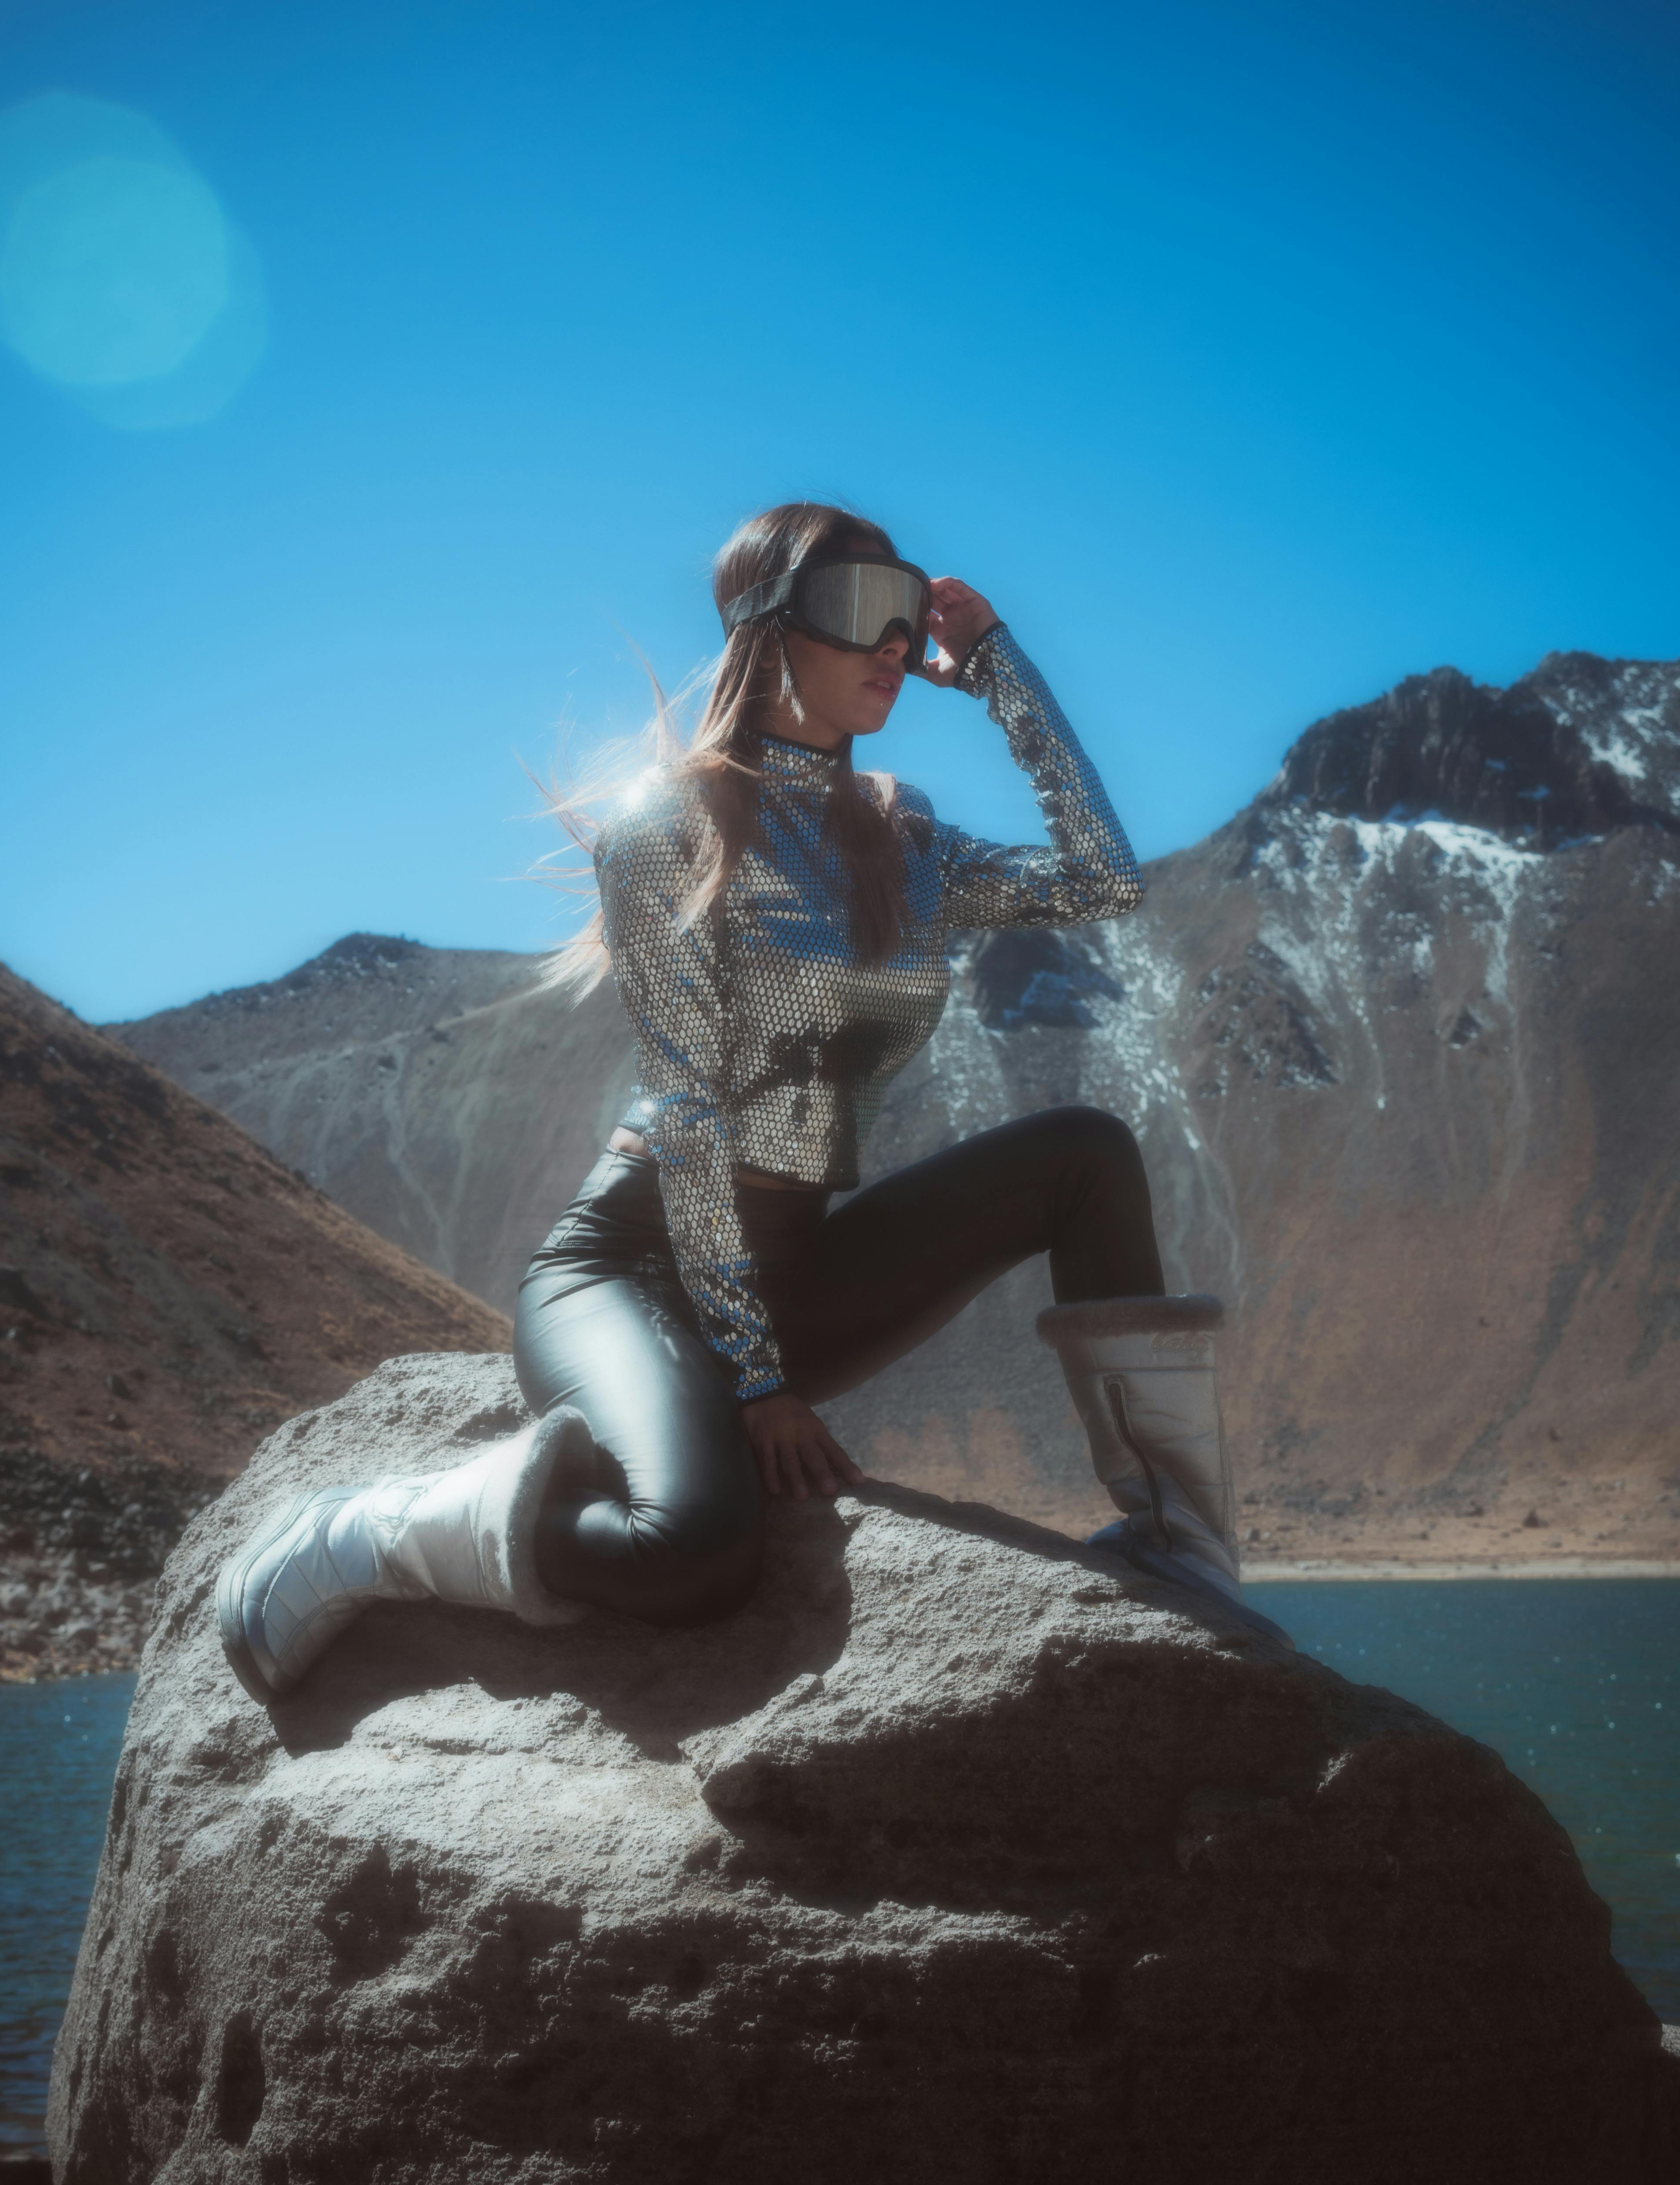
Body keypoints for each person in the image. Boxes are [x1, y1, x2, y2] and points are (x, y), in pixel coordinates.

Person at [217, 501, 1287, 1704]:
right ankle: (387, 1533)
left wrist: (996, 668)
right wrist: (761, 1384)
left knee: (1085, 1151)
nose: (888, 640)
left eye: (903, 606)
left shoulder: (907, 839)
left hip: (796, 1263)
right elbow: (688, 1115)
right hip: (627, 1272)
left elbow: (1101, 878)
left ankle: (1177, 1539)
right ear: (764, 628)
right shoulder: (665, 831)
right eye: (854, 607)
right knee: (696, 1549)